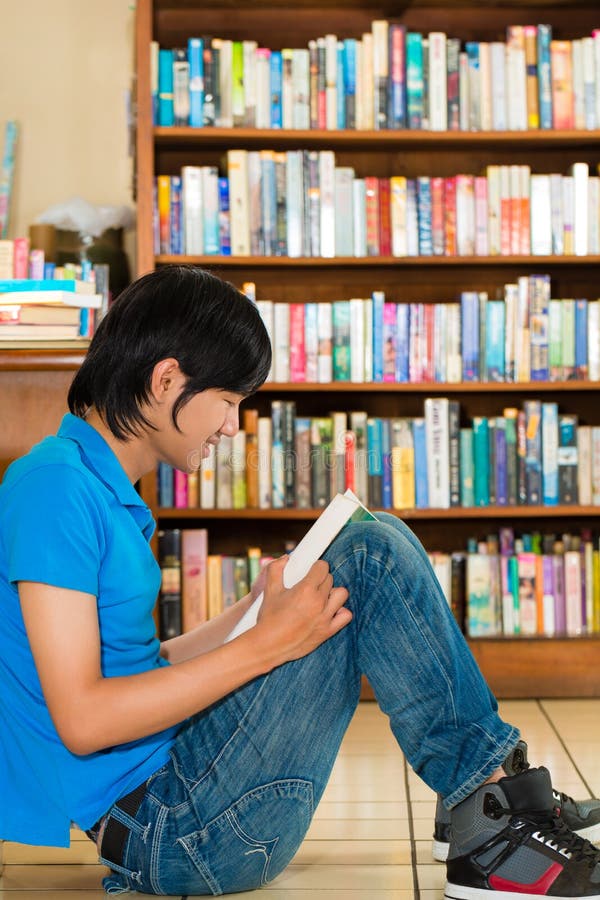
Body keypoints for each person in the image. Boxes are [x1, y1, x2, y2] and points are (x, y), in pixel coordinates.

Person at [1, 264, 599, 899]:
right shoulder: (55, 489)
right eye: (228, 402)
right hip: (172, 832)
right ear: (166, 379)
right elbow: (85, 719)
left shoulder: (93, 488)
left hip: (179, 793)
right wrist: (267, 643)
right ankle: (492, 820)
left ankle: (482, 800)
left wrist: (254, 607)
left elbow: (145, 667)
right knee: (368, 557)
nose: (232, 429)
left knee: (373, 536)